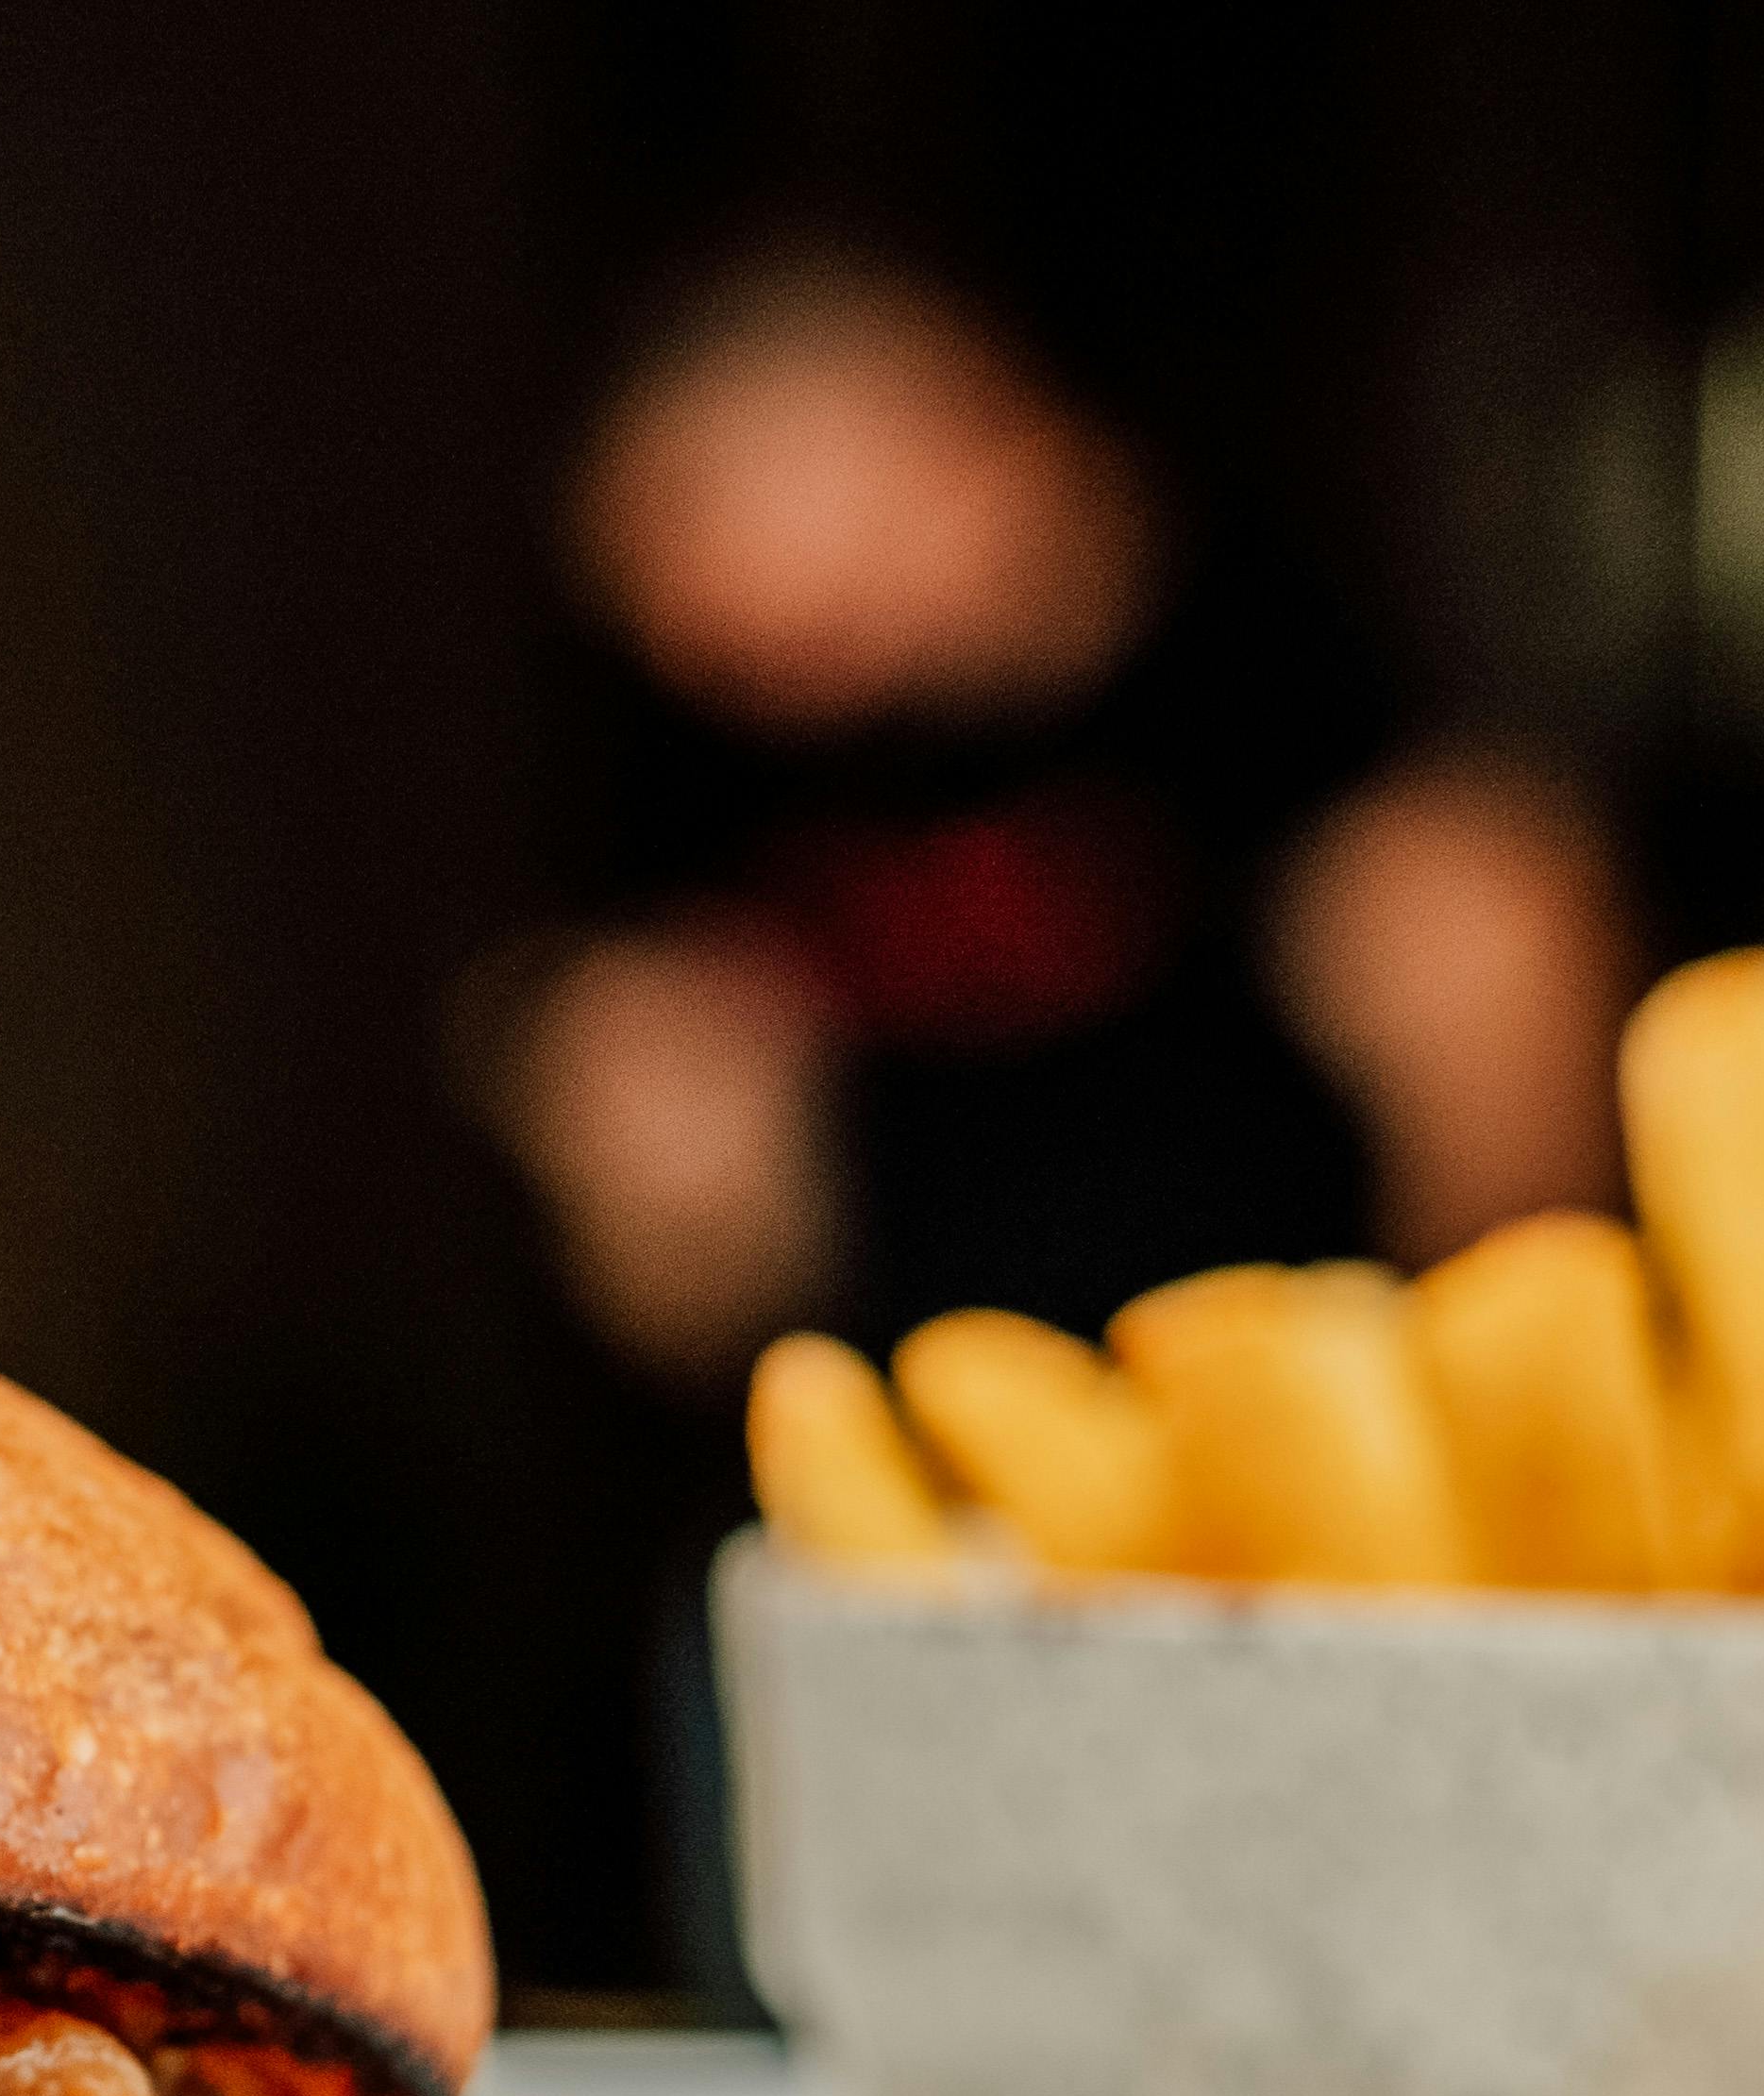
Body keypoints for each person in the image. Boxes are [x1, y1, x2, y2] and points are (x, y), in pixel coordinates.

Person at [499, 246, 1634, 1394]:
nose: (707, 624)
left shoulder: (1261, 646)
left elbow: (1497, 965)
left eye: (718, 501)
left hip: (1298, 1392)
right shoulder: (720, 760)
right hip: (911, 1431)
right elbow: (658, 1247)